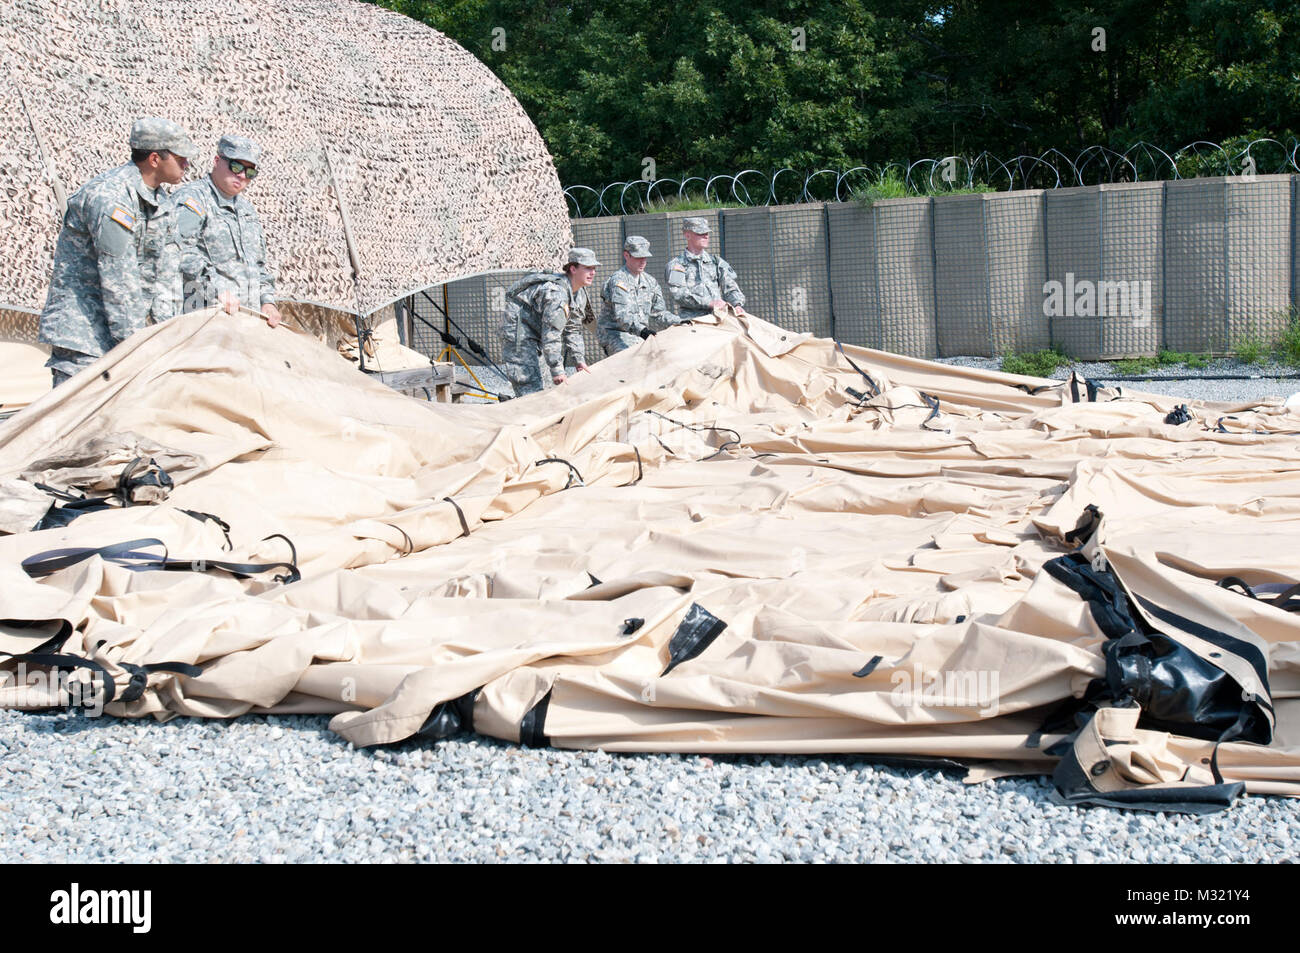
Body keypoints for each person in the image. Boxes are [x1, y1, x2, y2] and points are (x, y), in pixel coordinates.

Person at [38, 117, 197, 386]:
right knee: (79, 424)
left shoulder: (163, 204)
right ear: (155, 159)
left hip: (130, 341)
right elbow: (119, 282)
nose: (186, 164)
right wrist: (136, 347)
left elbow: (167, 278)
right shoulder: (110, 197)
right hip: (86, 340)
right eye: (180, 158)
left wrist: (163, 339)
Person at [175, 135, 281, 327]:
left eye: (250, 172)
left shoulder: (246, 210)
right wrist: (217, 290)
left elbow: (258, 264)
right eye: (236, 167)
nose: (241, 176)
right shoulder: (193, 200)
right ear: (217, 161)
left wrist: (267, 301)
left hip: (247, 320)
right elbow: (179, 251)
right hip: (206, 319)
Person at [500, 248, 595, 396]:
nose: (593, 272)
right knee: (529, 387)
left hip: (537, 332)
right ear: (573, 269)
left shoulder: (580, 294)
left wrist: (579, 360)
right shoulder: (557, 294)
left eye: (594, 268)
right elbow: (552, 334)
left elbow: (573, 329)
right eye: (588, 268)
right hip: (520, 332)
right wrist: (557, 369)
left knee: (546, 387)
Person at [597, 235, 679, 355]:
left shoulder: (650, 282)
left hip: (638, 335)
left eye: (644, 257)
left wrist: (679, 321)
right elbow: (623, 316)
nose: (642, 262)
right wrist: (643, 331)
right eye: (638, 257)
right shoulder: (618, 281)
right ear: (626, 255)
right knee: (631, 357)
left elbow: (659, 312)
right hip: (614, 333)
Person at [664, 216, 746, 322]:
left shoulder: (716, 262)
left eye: (706, 233)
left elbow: (730, 287)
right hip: (693, 321)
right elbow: (679, 294)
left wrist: (737, 304)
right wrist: (709, 303)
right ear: (687, 235)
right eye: (700, 233)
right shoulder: (677, 265)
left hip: (719, 318)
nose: (706, 236)